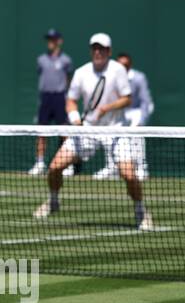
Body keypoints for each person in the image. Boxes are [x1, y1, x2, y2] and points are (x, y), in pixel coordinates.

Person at [34, 33, 153, 230]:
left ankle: (141, 211)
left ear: (109, 51)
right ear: (91, 50)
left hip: (116, 130)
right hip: (88, 129)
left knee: (129, 175)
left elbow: (127, 98)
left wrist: (107, 108)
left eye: (102, 49)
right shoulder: (81, 73)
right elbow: (71, 100)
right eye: (95, 48)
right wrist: (74, 118)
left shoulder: (118, 70)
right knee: (55, 167)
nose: (98, 52)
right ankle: (53, 201)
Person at [94, 52, 154, 181]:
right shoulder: (111, 77)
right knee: (108, 136)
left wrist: (141, 121)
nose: (123, 68)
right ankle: (112, 167)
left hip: (135, 112)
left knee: (136, 135)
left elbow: (145, 102)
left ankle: (141, 168)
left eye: (125, 65)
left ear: (130, 65)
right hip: (117, 112)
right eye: (120, 65)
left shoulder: (139, 78)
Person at [29, 29, 74, 177]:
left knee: (64, 131)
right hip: (46, 98)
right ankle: (40, 163)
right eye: (49, 39)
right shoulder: (41, 59)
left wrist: (67, 98)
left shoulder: (66, 60)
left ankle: (68, 164)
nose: (51, 42)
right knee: (42, 132)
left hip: (60, 98)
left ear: (59, 41)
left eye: (53, 39)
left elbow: (68, 80)